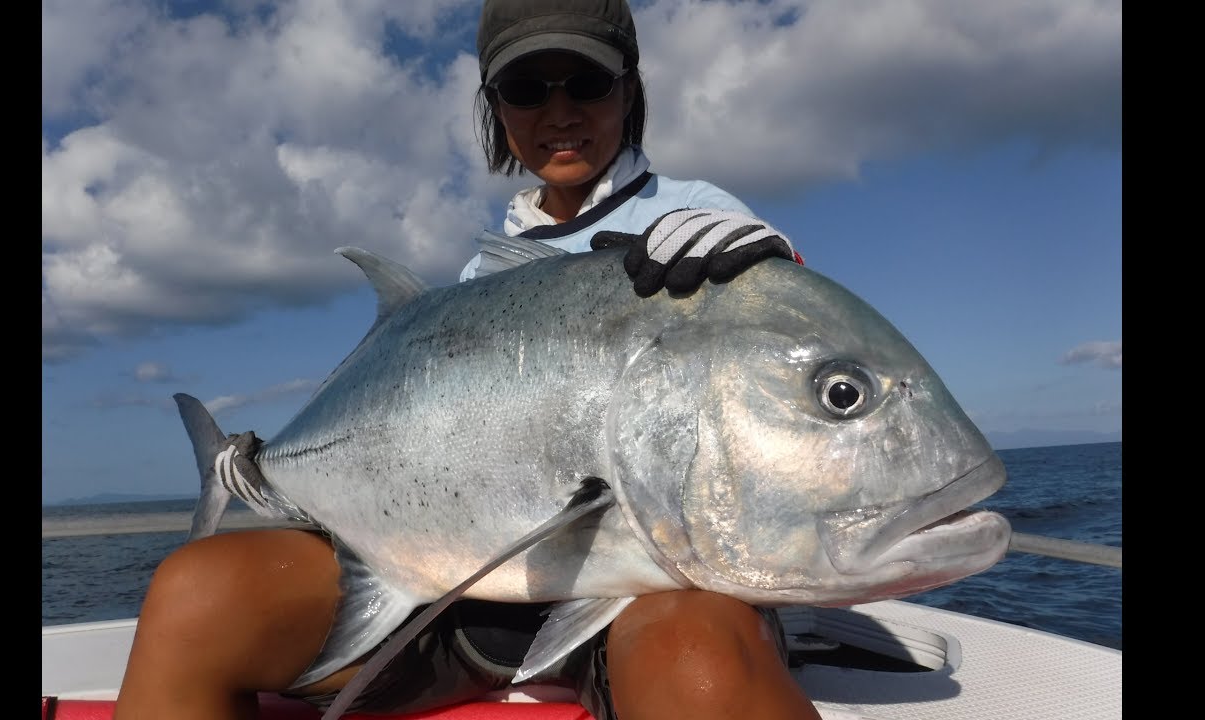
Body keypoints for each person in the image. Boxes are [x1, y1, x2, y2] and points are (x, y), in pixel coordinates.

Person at [114, 1, 820, 719]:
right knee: (192, 596)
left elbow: (790, 360)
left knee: (697, 661)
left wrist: (772, 267)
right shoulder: (477, 282)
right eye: (526, 90)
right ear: (495, 107)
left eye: (587, 83)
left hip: (650, 593)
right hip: (453, 587)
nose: (560, 112)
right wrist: (271, 477)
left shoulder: (699, 221)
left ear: (630, 90)